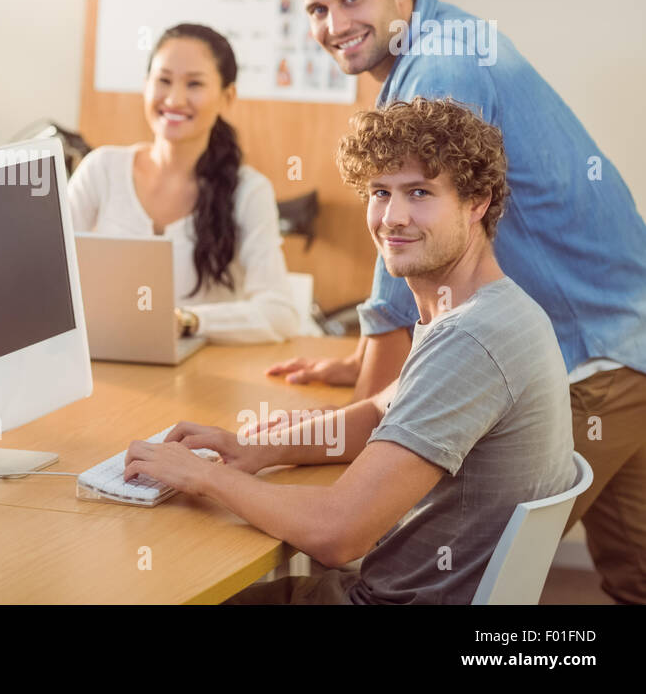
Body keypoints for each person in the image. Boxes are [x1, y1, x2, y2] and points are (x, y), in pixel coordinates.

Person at [266, 0, 646, 604]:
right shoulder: (447, 33)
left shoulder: (438, 68)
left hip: (591, 353)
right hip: (628, 336)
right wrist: (361, 367)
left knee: (414, 558)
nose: (333, 24)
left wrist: (361, 425)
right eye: (317, 8)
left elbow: (408, 238)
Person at [125, 98, 575, 604]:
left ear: (477, 202)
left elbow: (338, 534)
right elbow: (382, 411)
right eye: (380, 192)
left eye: (420, 193)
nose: (393, 217)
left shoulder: (471, 338)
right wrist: (257, 450)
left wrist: (203, 476)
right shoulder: (493, 308)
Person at [67, 23, 298, 344]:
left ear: (226, 97)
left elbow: (280, 314)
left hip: (205, 377)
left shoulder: (248, 191)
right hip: (111, 360)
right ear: (146, 85)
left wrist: (186, 320)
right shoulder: (102, 169)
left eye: (194, 84)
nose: (174, 99)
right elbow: (52, 273)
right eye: (163, 81)